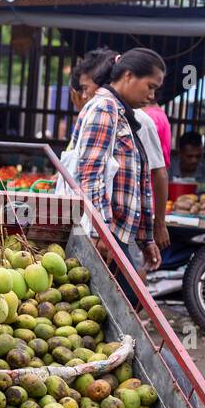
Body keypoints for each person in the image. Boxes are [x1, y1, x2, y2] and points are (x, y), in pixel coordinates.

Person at [72, 48, 166, 293]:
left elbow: (137, 181)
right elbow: (91, 174)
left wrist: (146, 238)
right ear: (128, 75)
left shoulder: (123, 113)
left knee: (128, 301)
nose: (152, 95)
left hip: (116, 234)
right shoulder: (104, 108)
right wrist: (100, 231)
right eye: (150, 86)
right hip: (105, 233)